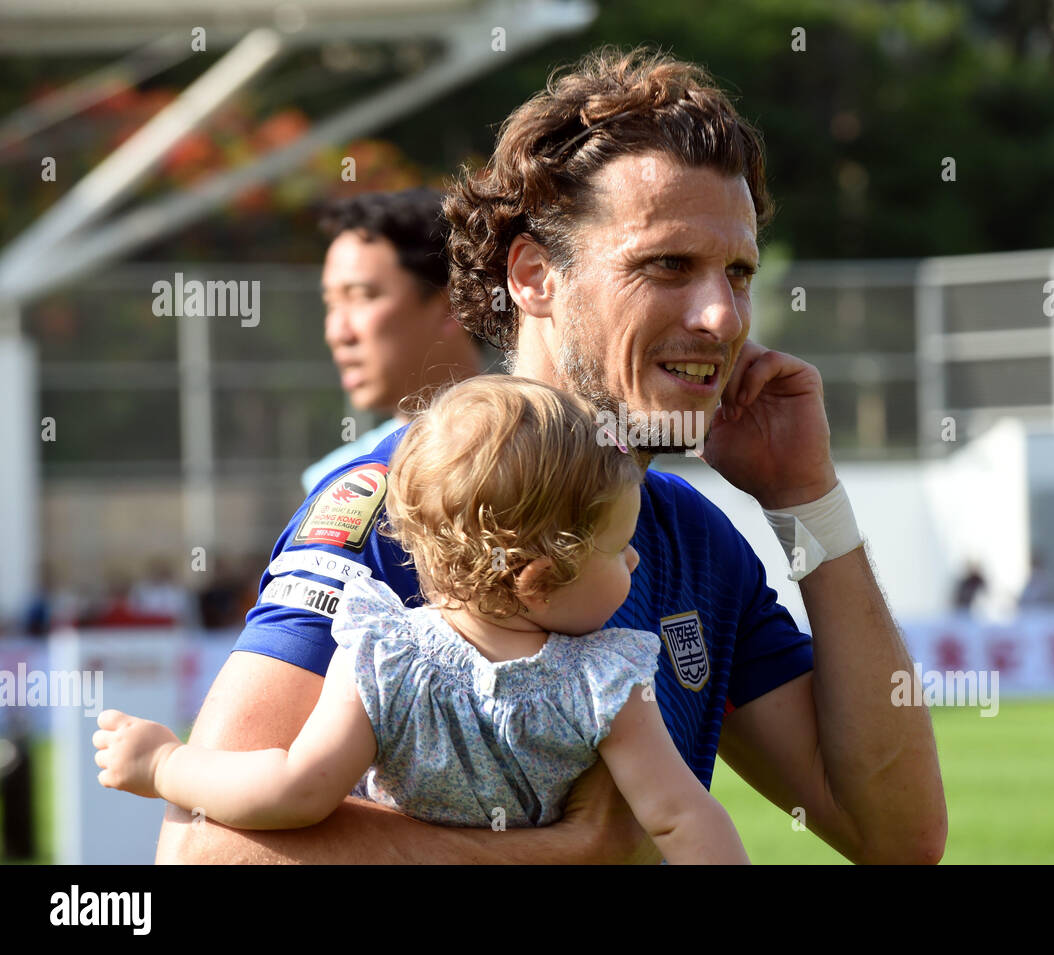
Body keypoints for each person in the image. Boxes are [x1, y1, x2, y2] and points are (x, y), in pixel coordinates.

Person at [157, 46, 946, 864]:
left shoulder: (696, 540)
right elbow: (206, 853)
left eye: (738, 272)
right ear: (535, 276)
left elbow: (896, 835)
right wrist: (564, 852)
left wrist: (809, 501)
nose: (722, 315)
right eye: (668, 265)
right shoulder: (399, 507)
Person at [97, 377, 748, 864]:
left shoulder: (382, 656)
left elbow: (294, 787)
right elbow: (683, 817)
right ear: (539, 577)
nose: (636, 558)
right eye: (618, 548)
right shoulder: (607, 679)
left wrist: (164, 764)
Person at [304, 188, 485, 493]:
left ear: (450, 307)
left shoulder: (549, 454)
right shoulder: (335, 485)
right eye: (331, 304)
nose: (336, 332)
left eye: (361, 297)